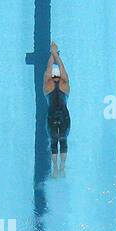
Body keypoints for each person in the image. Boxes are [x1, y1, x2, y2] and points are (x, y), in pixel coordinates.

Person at [44, 42, 71, 178]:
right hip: (64, 117)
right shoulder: (65, 85)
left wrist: (51, 55)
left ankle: (54, 168)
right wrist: (56, 54)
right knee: (63, 140)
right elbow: (62, 68)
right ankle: (62, 168)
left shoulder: (47, 86)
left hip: (51, 117)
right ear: (59, 76)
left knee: (54, 142)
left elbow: (48, 69)